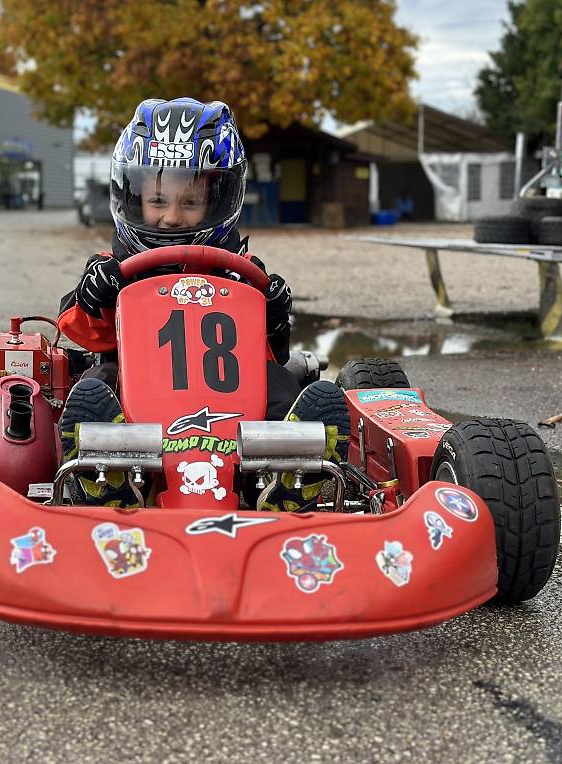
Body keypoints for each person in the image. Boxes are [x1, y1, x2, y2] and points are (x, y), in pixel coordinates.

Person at [56, 97, 349, 509]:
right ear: (133, 196)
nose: (172, 217)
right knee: (94, 386)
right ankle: (107, 481)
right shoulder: (112, 270)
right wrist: (94, 298)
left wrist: (275, 314)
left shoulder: (243, 272)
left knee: (281, 385)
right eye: (158, 201)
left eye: (189, 202)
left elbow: (273, 352)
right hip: (138, 391)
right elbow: (77, 332)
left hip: (233, 398)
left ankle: (287, 486)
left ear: (219, 200)